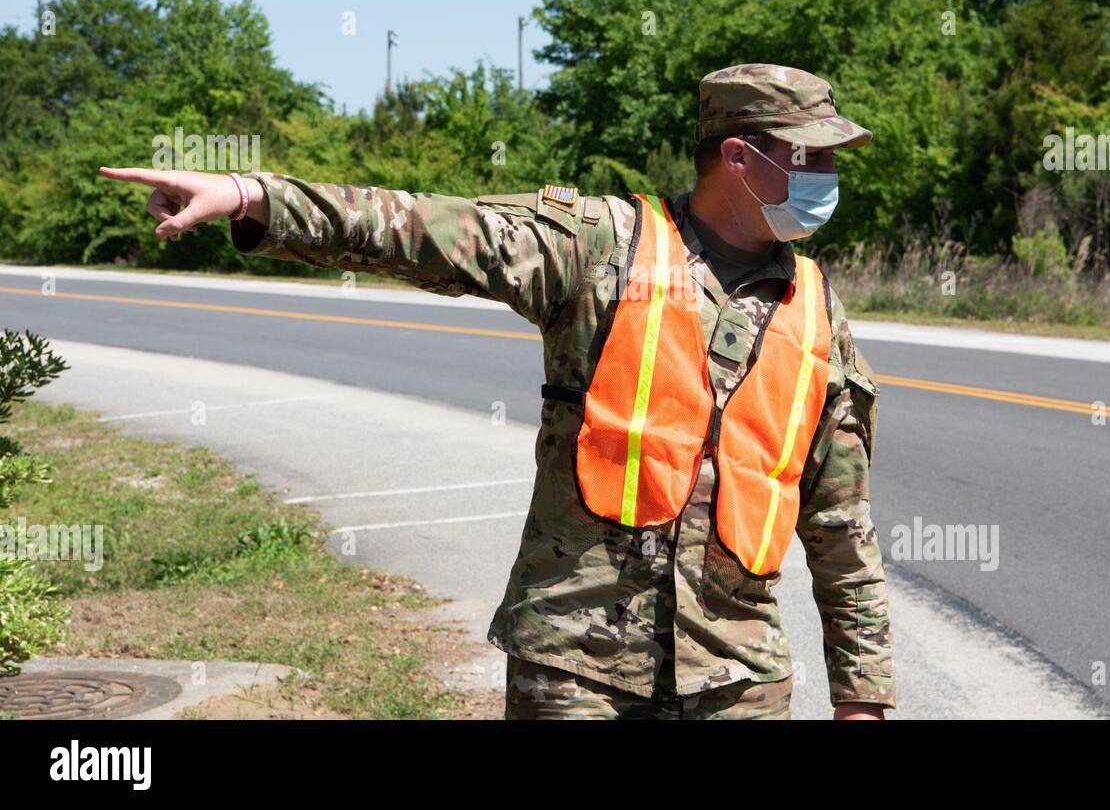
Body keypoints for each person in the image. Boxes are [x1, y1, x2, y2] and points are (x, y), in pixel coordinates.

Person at [100, 63, 893, 720]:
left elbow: (841, 529)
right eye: (811, 157)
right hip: (578, 670)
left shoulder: (818, 310)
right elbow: (427, 230)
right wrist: (253, 196)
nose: (828, 177)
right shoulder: (601, 244)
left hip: (738, 681)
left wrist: (863, 698)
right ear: (740, 158)